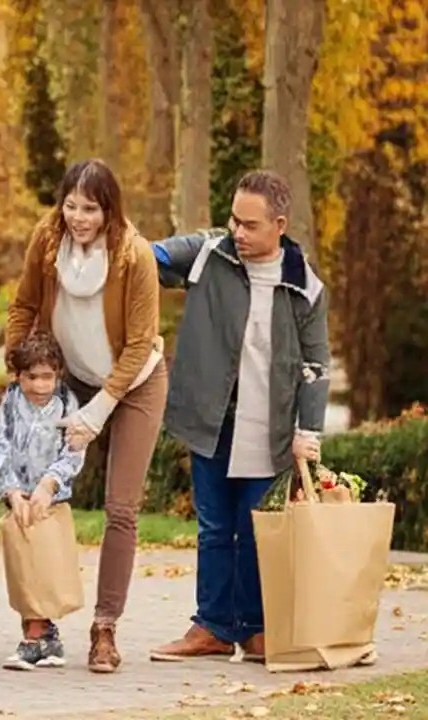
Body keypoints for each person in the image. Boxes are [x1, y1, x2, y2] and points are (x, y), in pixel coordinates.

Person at [149, 170, 328, 663]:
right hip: (212, 416)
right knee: (212, 526)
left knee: (254, 530)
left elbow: (316, 367)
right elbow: (148, 257)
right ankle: (211, 626)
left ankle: (253, 628)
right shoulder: (211, 252)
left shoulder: (305, 287)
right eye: (233, 219)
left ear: (279, 225)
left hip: (267, 424)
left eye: (250, 225)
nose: (238, 232)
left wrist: (307, 432)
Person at [6, 159, 167, 673]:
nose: (78, 216)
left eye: (90, 208)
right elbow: (22, 306)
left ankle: (105, 628)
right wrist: (21, 373)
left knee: (120, 508)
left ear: (109, 209)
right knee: (37, 489)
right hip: (70, 377)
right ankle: (41, 625)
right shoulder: (48, 241)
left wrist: (95, 414)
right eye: (71, 205)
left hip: (136, 385)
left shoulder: (134, 256)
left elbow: (140, 345)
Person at [0, 331, 86, 671]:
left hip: (51, 500)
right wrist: (12, 490)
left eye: (47, 377)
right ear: (18, 375)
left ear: (57, 374)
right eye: (32, 377)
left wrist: (50, 484)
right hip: (19, 497)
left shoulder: (67, 404)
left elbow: (74, 452)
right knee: (23, 568)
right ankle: (45, 639)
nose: (40, 385)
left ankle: (37, 638)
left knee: (43, 568)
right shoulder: (12, 402)